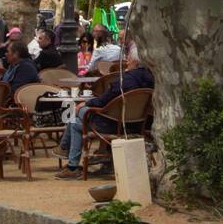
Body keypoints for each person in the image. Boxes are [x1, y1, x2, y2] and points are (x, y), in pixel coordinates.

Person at [56, 50, 154, 178]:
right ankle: (73, 162)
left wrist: (86, 103)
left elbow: (103, 101)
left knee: (76, 116)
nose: (126, 60)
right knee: (77, 119)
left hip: (113, 124)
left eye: (128, 58)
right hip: (140, 124)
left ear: (135, 62)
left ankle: (68, 157)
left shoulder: (124, 80)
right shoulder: (152, 78)